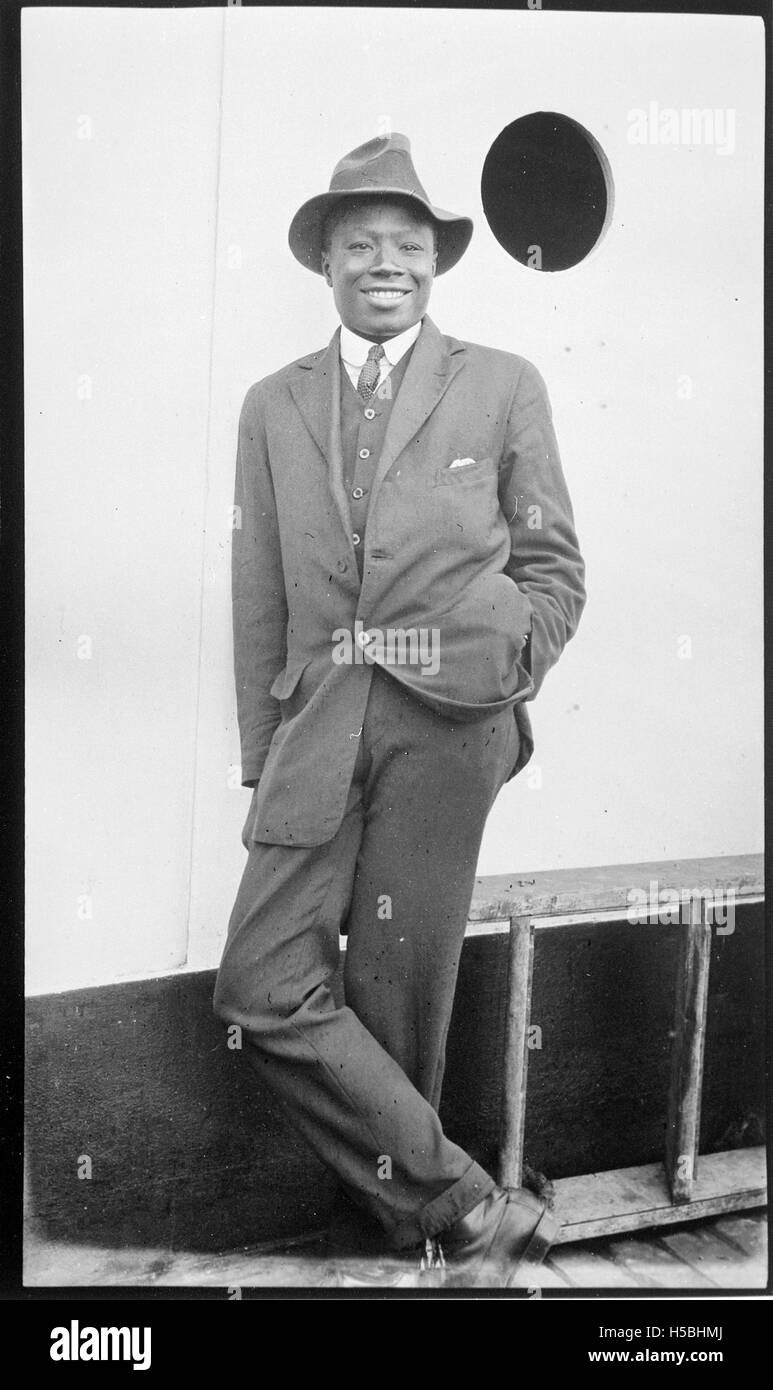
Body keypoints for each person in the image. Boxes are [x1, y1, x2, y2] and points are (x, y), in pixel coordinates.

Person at [213, 133, 586, 1287]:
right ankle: (469, 1211)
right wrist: (264, 758)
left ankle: (412, 1255)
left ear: (437, 262)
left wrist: (508, 660)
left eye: (409, 244)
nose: (387, 262)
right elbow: (259, 592)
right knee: (263, 981)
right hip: (317, 719)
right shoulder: (270, 405)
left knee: (394, 986)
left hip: (449, 726)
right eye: (362, 242)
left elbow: (553, 566)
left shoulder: (501, 381)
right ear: (323, 261)